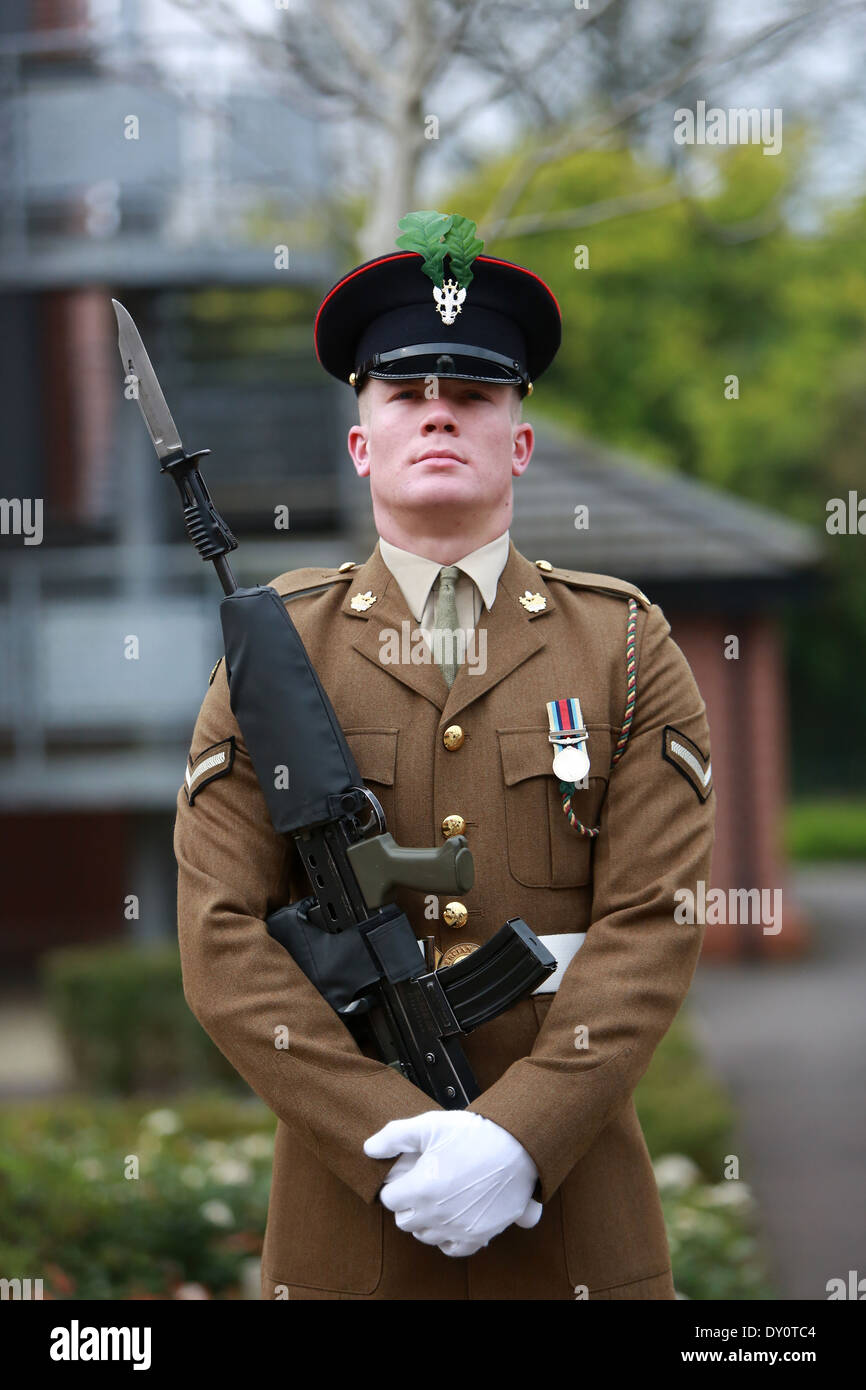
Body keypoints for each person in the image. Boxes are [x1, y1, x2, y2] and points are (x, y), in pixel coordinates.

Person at [174, 210, 715, 1301]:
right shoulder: (277, 653)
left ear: (518, 439)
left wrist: (517, 1135)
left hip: (572, 1218)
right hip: (352, 1221)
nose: (437, 415)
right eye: (403, 393)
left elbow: (650, 920)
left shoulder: (618, 642)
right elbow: (220, 940)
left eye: (470, 395)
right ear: (359, 439)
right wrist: (397, 1137)